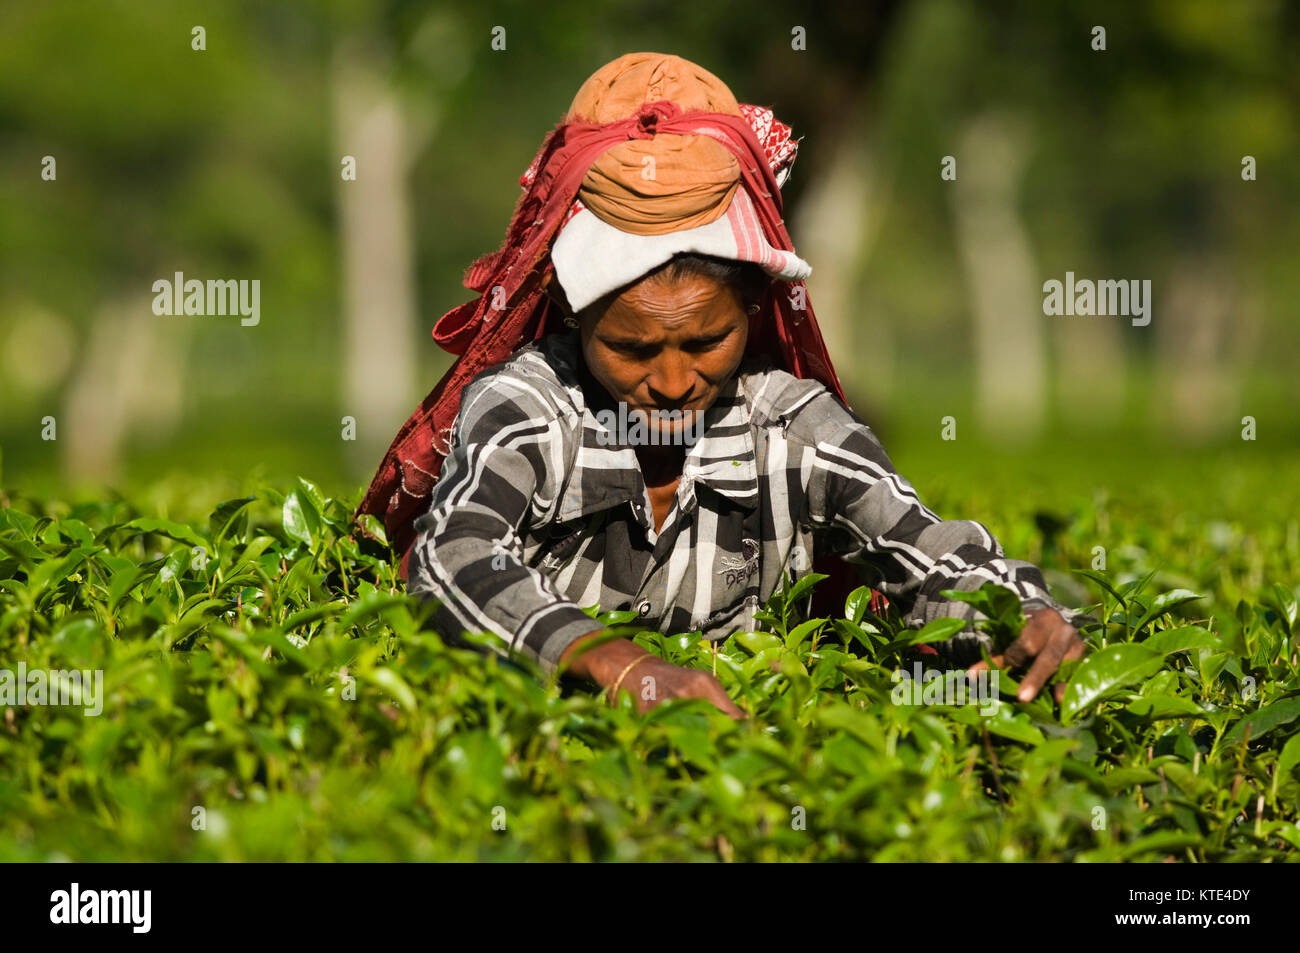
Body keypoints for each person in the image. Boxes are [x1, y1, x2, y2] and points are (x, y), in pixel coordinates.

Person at [356, 52, 1088, 719]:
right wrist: (610, 660)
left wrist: (1016, 611)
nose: (674, 382)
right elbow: (454, 554)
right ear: (575, 320)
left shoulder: (792, 428)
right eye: (631, 347)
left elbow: (926, 550)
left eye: (707, 341)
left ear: (753, 310)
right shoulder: (530, 408)